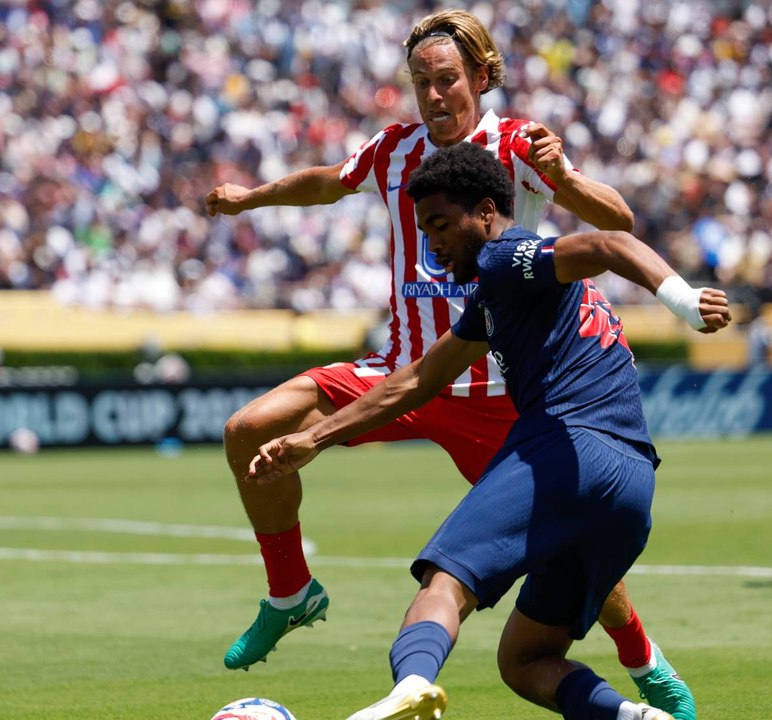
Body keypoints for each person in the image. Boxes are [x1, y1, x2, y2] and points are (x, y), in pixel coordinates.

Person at [204, 10, 694, 716]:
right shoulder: (393, 148)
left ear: (481, 77)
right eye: (420, 83)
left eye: (446, 81)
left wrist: (561, 174)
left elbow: (614, 219)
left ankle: (644, 663)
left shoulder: (517, 144)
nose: (433, 96)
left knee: (575, 546)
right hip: (404, 371)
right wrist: (252, 199)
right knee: (249, 429)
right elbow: (327, 182)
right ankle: (290, 593)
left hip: (499, 390)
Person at [248, 141, 731, 720]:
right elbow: (418, 381)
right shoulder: (499, 296)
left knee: (444, 582)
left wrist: (684, 301)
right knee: (524, 661)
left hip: (568, 447)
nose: (432, 244)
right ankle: (637, 717)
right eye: (424, 230)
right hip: (631, 485)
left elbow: (612, 241)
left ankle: (412, 687)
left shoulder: (508, 257)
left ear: (484, 211)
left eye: (441, 225)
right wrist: (311, 440)